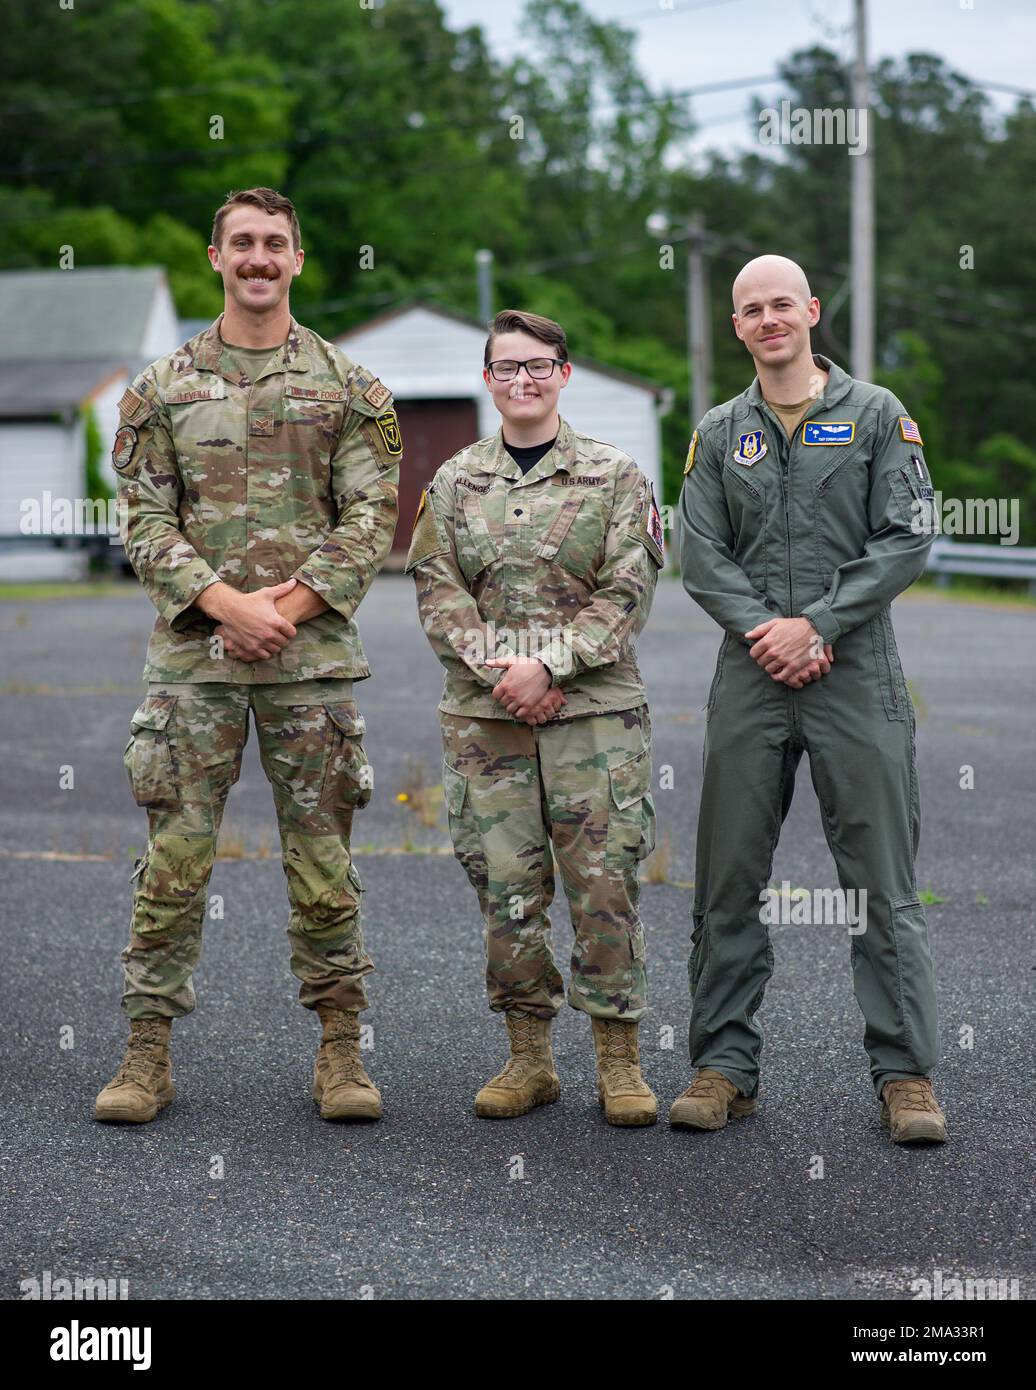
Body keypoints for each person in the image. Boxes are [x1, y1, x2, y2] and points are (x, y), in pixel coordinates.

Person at [94, 187, 400, 1125]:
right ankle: (146, 1056)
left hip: (310, 665)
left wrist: (287, 611)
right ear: (216, 258)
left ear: (298, 261)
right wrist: (225, 604)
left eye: (275, 243)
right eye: (243, 243)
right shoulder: (162, 390)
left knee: (322, 862)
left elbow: (372, 516)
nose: (259, 257)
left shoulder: (351, 389)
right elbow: (143, 518)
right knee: (176, 860)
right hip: (197, 665)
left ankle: (341, 1055)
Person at [673, 254, 947, 1144]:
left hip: (855, 672)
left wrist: (819, 623)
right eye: (750, 309)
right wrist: (771, 632)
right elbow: (700, 551)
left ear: (812, 311)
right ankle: (722, 1068)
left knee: (882, 883)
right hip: (752, 674)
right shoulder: (719, 431)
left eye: (780, 303)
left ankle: (906, 1078)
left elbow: (907, 536)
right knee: (727, 880)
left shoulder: (874, 415)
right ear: (738, 327)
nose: (767, 319)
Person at [406, 310, 663, 1126]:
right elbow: (436, 587)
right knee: (507, 887)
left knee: (603, 885)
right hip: (489, 721)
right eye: (507, 367)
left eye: (539, 366)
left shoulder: (616, 475)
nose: (523, 380)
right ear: (488, 379)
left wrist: (549, 664)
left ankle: (618, 1062)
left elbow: (628, 588)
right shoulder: (453, 481)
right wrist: (503, 671)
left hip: (593, 715)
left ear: (564, 373)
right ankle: (529, 1060)